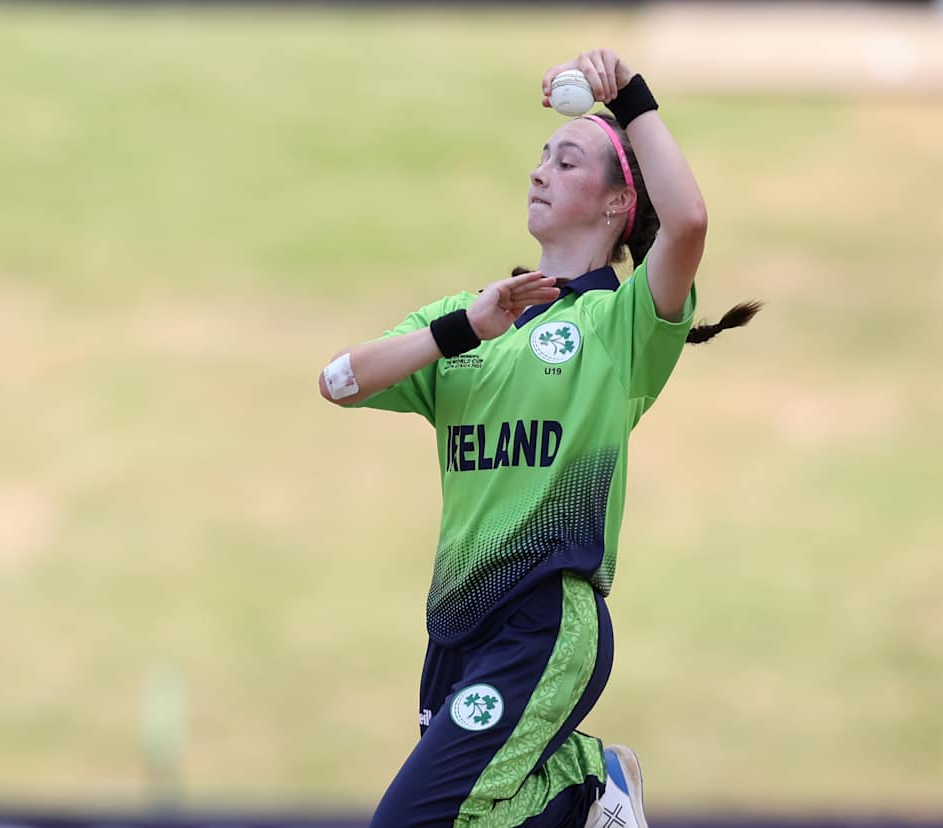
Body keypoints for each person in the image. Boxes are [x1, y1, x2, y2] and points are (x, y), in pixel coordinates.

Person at [318, 48, 760, 828]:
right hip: (454, 630)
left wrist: (629, 98)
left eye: (566, 159)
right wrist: (466, 328)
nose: (540, 171)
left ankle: (587, 783)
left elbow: (688, 221)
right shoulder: (471, 323)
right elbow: (341, 380)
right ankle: (586, 788)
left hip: (543, 620)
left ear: (619, 204)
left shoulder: (618, 326)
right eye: (540, 157)